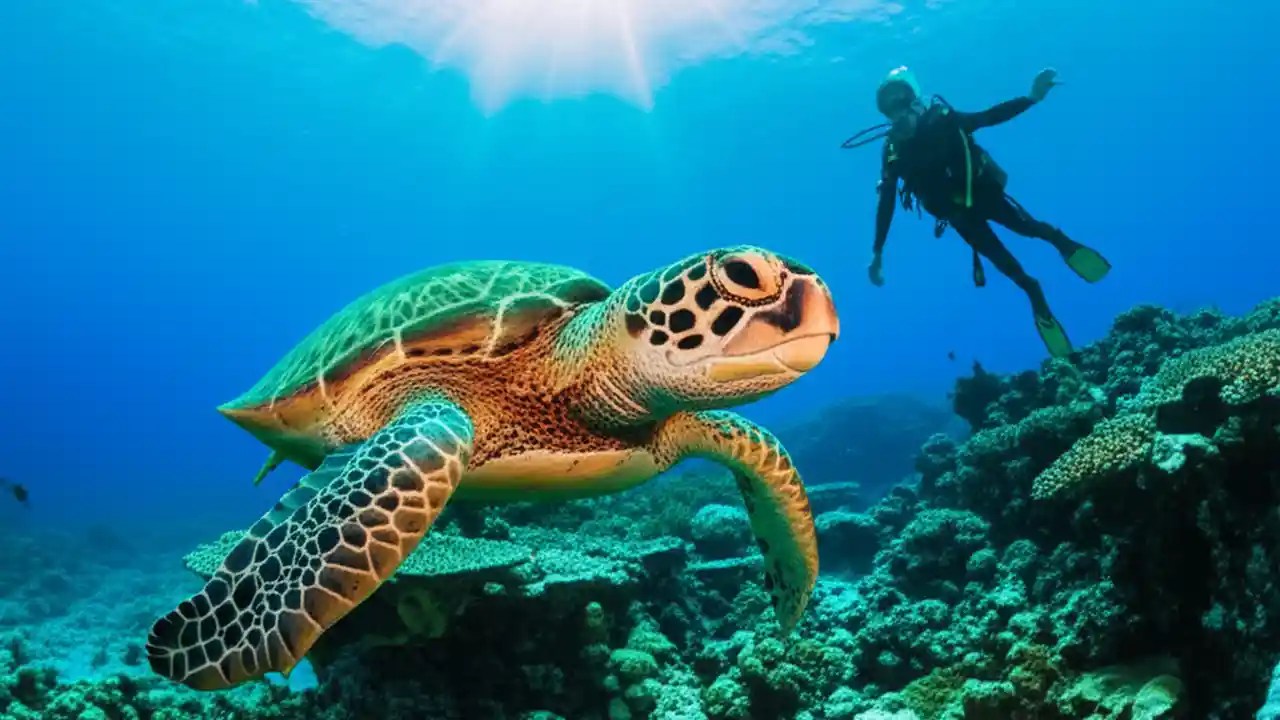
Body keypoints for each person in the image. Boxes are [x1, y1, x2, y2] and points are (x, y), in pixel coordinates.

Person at [862, 65, 1112, 358]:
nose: (896, 110)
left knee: (1028, 227)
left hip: (984, 194)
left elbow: (989, 116)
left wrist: (1031, 98)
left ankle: (1062, 242)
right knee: (1005, 263)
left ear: (914, 100)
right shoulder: (893, 151)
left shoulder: (944, 120)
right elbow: (887, 200)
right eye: (888, 106)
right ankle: (1035, 294)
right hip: (959, 216)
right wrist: (877, 252)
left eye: (901, 100)